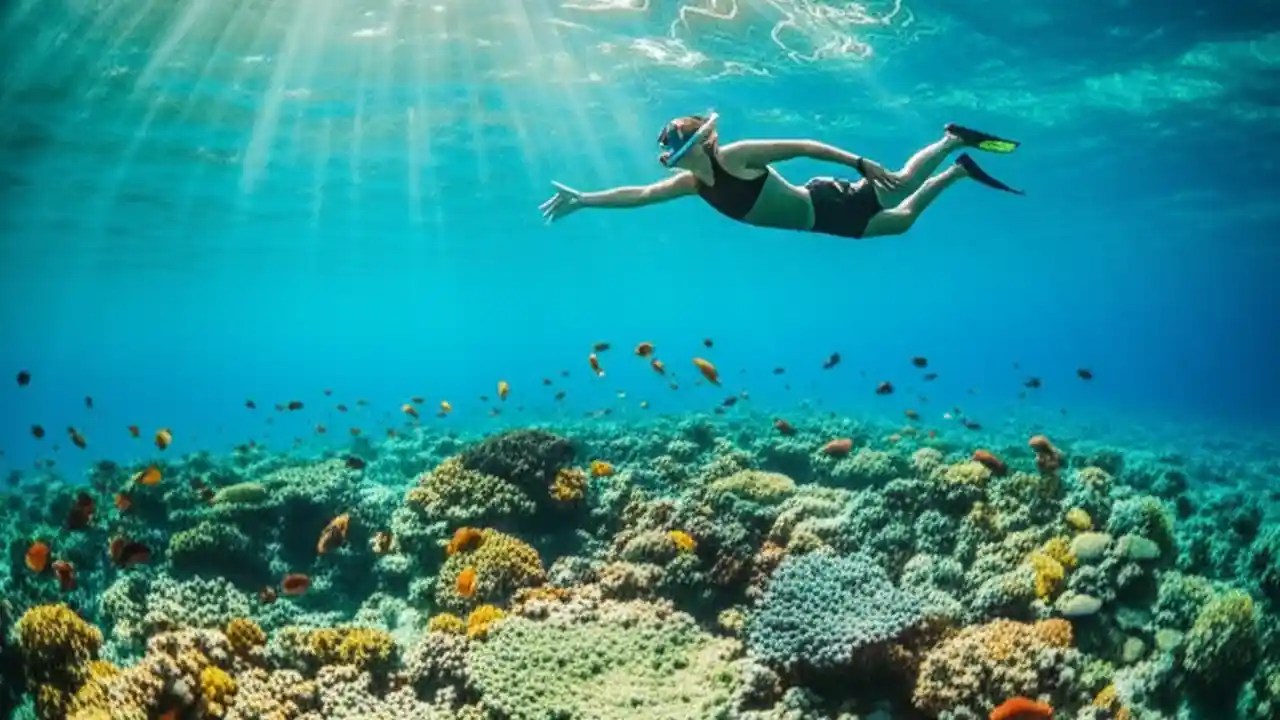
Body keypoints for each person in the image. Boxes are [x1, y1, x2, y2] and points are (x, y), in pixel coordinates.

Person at [539, 113, 1023, 239]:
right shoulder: (693, 184)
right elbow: (641, 194)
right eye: (673, 156)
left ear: (699, 145)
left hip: (825, 205)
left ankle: (952, 141)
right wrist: (584, 199)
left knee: (898, 184)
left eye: (681, 150)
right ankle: (959, 170)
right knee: (900, 223)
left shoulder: (736, 157)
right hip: (819, 221)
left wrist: (858, 163)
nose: (675, 161)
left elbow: (806, 146)